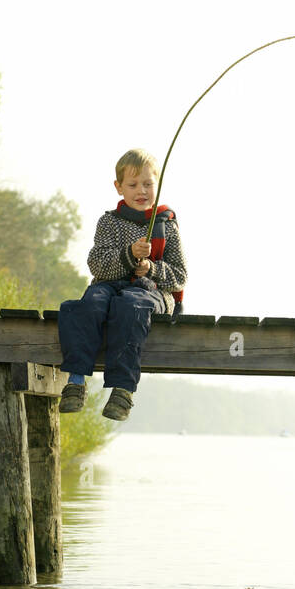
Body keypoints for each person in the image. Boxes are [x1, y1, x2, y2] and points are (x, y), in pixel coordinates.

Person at [57, 148, 188, 421]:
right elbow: (98, 265)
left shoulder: (167, 225)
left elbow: (180, 275)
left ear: (158, 185)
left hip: (149, 292)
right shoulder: (109, 222)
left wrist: (150, 267)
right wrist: (129, 255)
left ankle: (123, 389)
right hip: (109, 285)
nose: (141, 191)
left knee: (130, 305)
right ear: (119, 188)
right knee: (89, 304)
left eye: (148, 184)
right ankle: (76, 379)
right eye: (133, 185)